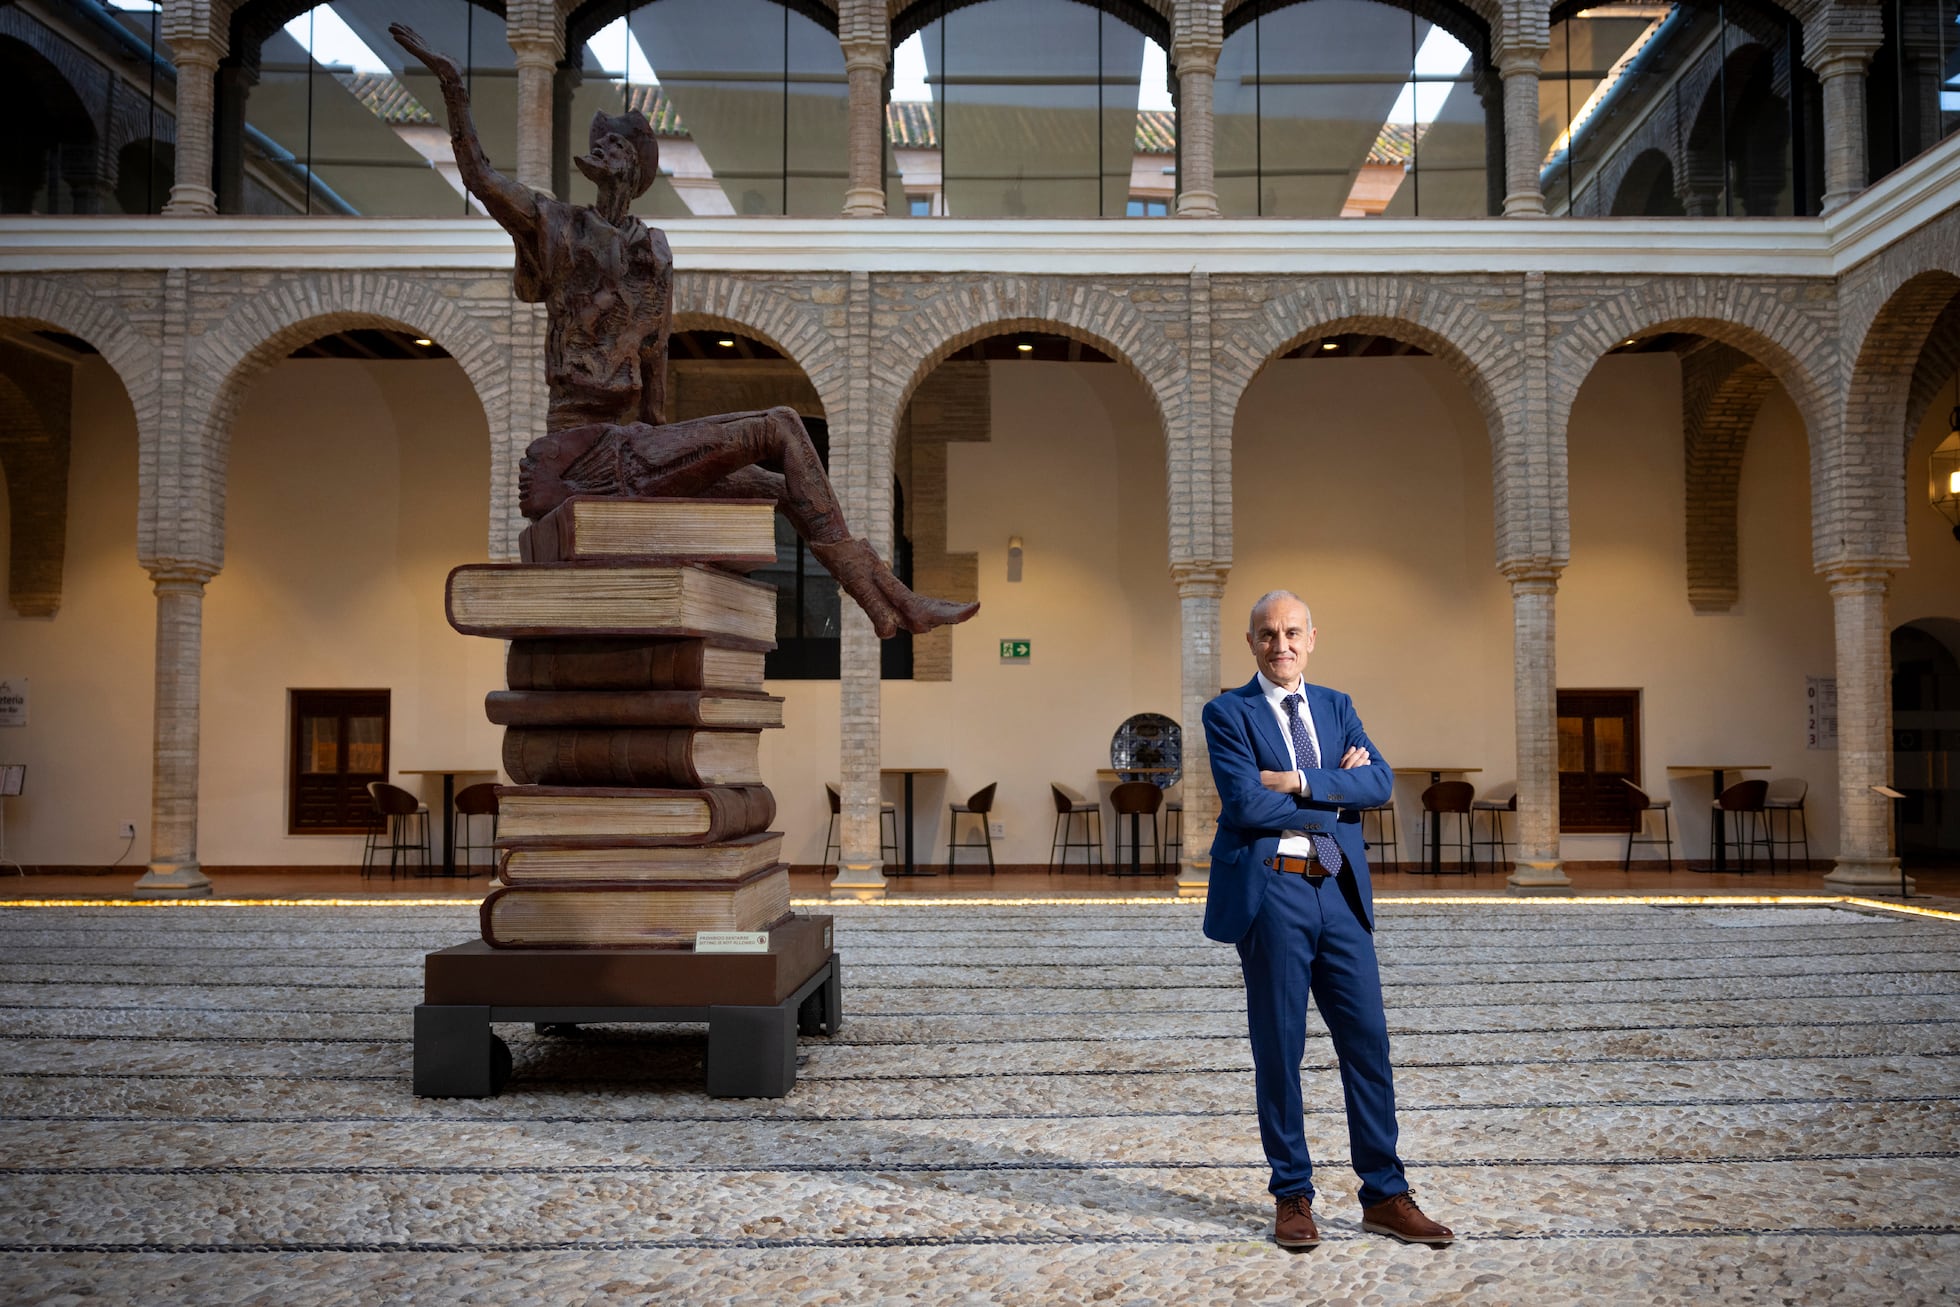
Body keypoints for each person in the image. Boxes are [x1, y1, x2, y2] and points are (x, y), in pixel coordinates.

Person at [389, 24, 976, 640]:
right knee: (780, 425)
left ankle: (887, 603)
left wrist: (670, 444)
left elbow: (655, 363)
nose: (604, 149)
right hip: (585, 452)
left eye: (617, 144)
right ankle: (886, 599)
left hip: (634, 449)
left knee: (780, 486)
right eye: (600, 142)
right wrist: (453, 86)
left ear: (635, 166)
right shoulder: (557, 224)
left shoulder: (653, 252)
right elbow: (480, 177)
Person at [1202, 590, 1453, 1249]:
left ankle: (1385, 1194)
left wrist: (1296, 781)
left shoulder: (1338, 706)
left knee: (1367, 1042)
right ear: (1250, 642)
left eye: (1292, 632)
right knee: (1280, 1047)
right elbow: (1245, 804)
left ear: (1311, 638)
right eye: (1267, 634)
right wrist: (1337, 791)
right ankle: (1292, 1194)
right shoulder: (1227, 712)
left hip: (1340, 892)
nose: (1280, 644)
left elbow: (1381, 783)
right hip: (1274, 892)